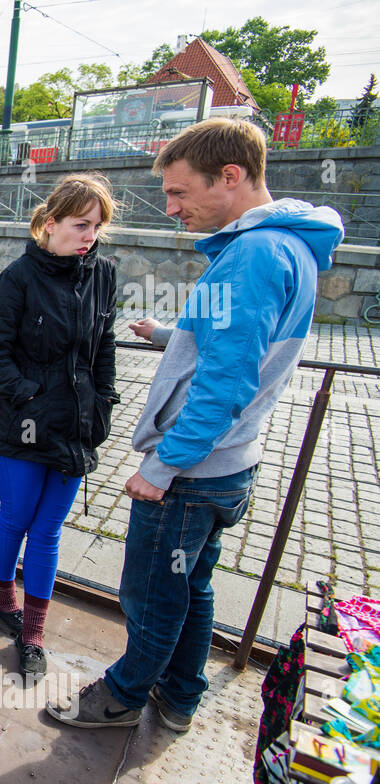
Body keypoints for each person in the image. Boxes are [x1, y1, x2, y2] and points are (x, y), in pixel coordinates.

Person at [47, 118, 345, 731]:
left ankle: (122, 696)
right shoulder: (285, 246)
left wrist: (162, 467)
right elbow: (233, 348)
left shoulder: (254, 256)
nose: (170, 207)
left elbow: (226, 382)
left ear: (229, 177)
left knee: (151, 595)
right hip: (232, 465)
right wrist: (172, 336)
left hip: (192, 472)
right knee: (193, 587)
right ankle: (181, 695)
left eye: (180, 193)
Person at [0, 173, 120, 678]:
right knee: (16, 519)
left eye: (97, 227)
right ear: (50, 222)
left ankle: (33, 633)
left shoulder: (103, 275)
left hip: (76, 427)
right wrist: (28, 396)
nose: (90, 236)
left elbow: (105, 347)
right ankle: (0, 598)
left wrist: (105, 402)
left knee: (48, 532)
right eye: (81, 224)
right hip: (24, 426)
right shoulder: (17, 279)